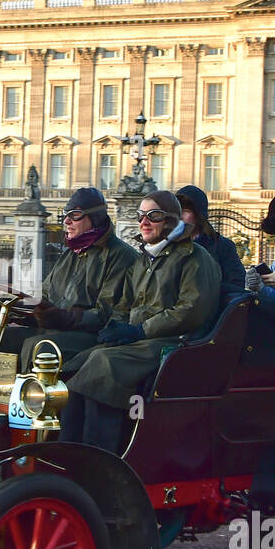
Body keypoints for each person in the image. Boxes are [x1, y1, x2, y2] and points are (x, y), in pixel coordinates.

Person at [60, 191, 221, 454]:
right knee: (76, 362)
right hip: (141, 342)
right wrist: (116, 326)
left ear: (170, 220)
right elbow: (125, 303)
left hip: (176, 343)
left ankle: (101, 454)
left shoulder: (194, 257)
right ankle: (68, 447)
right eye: (140, 216)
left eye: (153, 216)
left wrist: (139, 330)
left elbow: (190, 310)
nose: (144, 222)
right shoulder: (144, 259)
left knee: (105, 364)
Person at [0, 187, 135, 371]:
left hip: (91, 336)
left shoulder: (121, 256)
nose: (67, 221)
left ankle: (30, 396)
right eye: (66, 215)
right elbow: (44, 297)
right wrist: (16, 309)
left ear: (96, 218)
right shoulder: (71, 252)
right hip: (58, 329)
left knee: (38, 347)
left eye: (75, 215)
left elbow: (106, 313)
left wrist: (63, 318)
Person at [175, 185, 247, 306]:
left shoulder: (223, 246)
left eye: (185, 211)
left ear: (198, 215)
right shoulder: (168, 246)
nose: (179, 216)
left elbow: (236, 284)